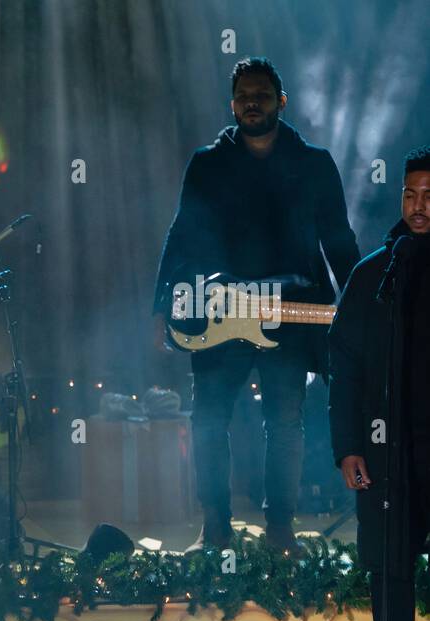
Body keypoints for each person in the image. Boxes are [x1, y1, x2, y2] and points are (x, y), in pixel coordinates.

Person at [153, 58, 359, 552]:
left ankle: (281, 528)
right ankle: (216, 526)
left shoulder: (314, 164)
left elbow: (338, 239)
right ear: (232, 104)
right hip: (218, 314)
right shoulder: (207, 164)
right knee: (208, 420)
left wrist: (359, 300)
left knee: (285, 422)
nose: (252, 102)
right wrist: (160, 306)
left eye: (262, 95)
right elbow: (181, 234)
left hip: (290, 318)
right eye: (244, 95)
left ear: (280, 101)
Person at [329, 147, 430, 621]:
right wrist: (347, 446)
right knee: (390, 566)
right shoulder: (376, 275)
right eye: (411, 194)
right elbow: (343, 365)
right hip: (388, 451)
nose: (419, 206)